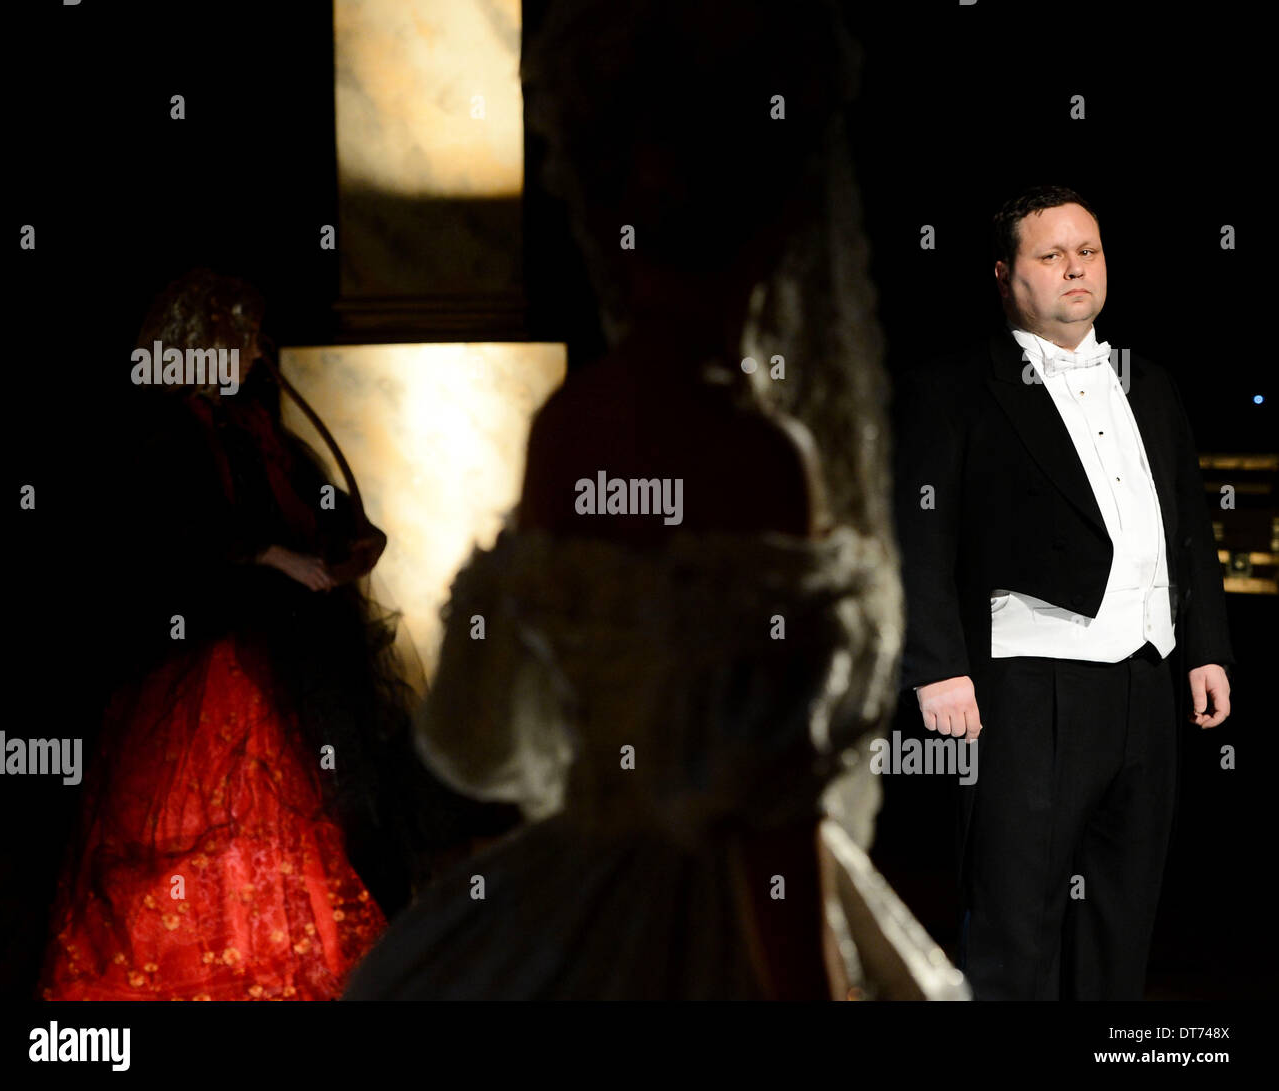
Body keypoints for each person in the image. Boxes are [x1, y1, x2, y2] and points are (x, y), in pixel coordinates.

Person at [344, 0, 967, 1001]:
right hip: (718, 918)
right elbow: (771, 807)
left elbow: (487, 732)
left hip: (569, 891)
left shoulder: (568, 423)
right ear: (774, 228)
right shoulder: (760, 453)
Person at [42, 270, 514, 1000]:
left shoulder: (258, 431)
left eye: (252, 337)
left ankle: (294, 963)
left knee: (305, 817)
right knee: (220, 820)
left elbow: (315, 510)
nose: (254, 351)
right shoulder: (170, 438)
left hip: (286, 659)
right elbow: (171, 542)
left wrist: (351, 542)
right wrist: (270, 556)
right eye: (235, 338)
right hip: (203, 665)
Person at [892, 185, 1235, 1000]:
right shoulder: (955, 387)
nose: (1076, 267)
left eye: (1089, 251)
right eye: (1052, 255)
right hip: (1027, 685)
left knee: (1122, 912)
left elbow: (1186, 525)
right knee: (1016, 915)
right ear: (1007, 273)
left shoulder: (1149, 381)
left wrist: (1206, 649)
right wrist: (936, 665)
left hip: (1146, 679)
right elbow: (915, 531)